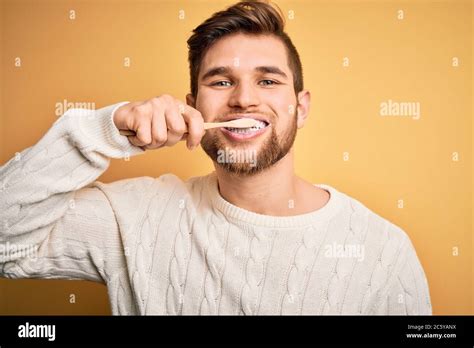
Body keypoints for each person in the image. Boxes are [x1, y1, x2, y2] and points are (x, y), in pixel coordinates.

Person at [0, 0, 431, 315]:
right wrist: (106, 130)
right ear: (194, 105)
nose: (244, 100)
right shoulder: (133, 219)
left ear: (301, 107)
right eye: (221, 82)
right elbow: (6, 246)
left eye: (267, 81)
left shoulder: (382, 251)